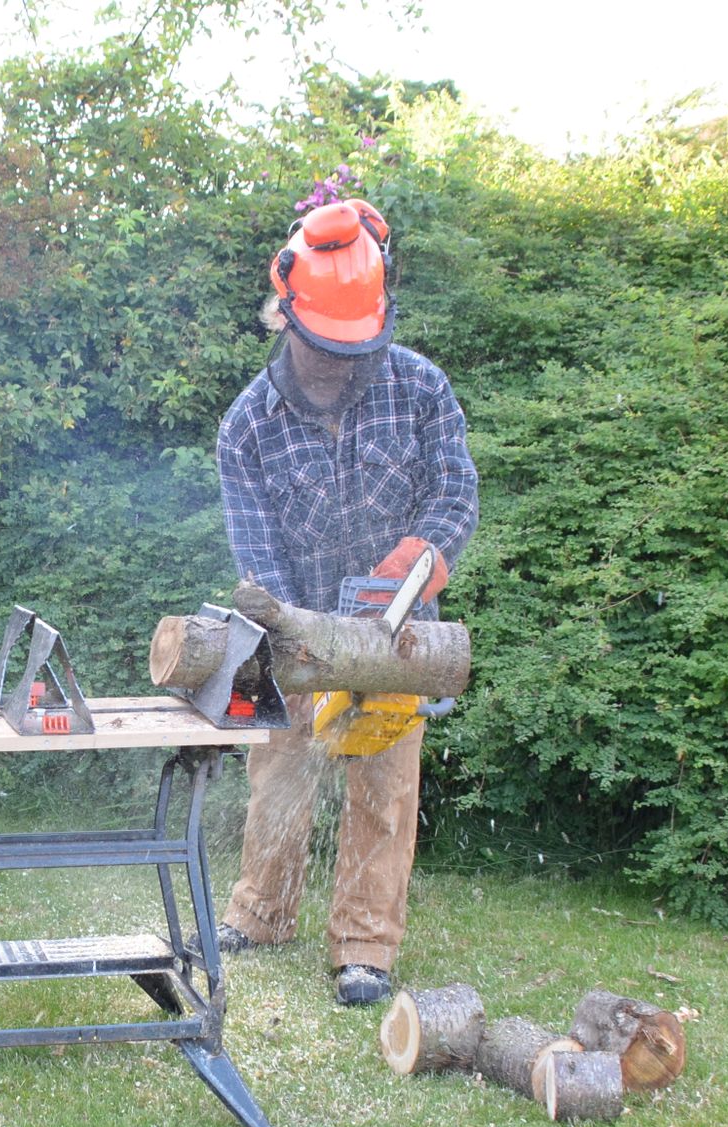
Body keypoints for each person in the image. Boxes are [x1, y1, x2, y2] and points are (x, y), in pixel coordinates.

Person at [212, 198, 479, 1006]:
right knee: (280, 764)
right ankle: (261, 911)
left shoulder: (421, 388)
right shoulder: (247, 427)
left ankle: (364, 944)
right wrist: (303, 645)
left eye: (352, 348)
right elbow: (257, 562)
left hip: (398, 635)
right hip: (296, 630)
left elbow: (457, 494)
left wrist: (417, 560)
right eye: (325, 347)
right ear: (284, 319)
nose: (339, 363)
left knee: (386, 784)